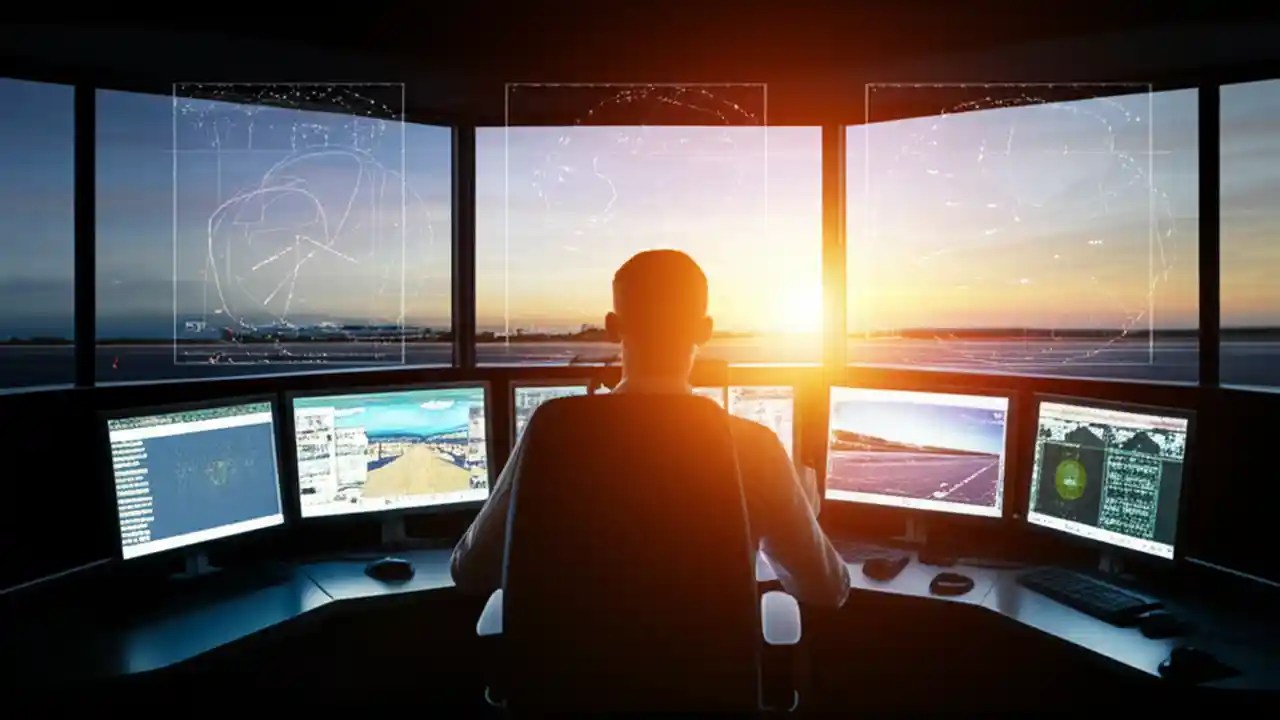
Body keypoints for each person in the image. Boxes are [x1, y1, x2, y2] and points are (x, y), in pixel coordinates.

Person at [450, 249, 850, 607]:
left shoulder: (551, 432)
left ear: (611, 326)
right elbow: (827, 590)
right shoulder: (755, 448)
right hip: (707, 687)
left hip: (571, 687)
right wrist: (803, 511)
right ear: (704, 330)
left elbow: (471, 571)